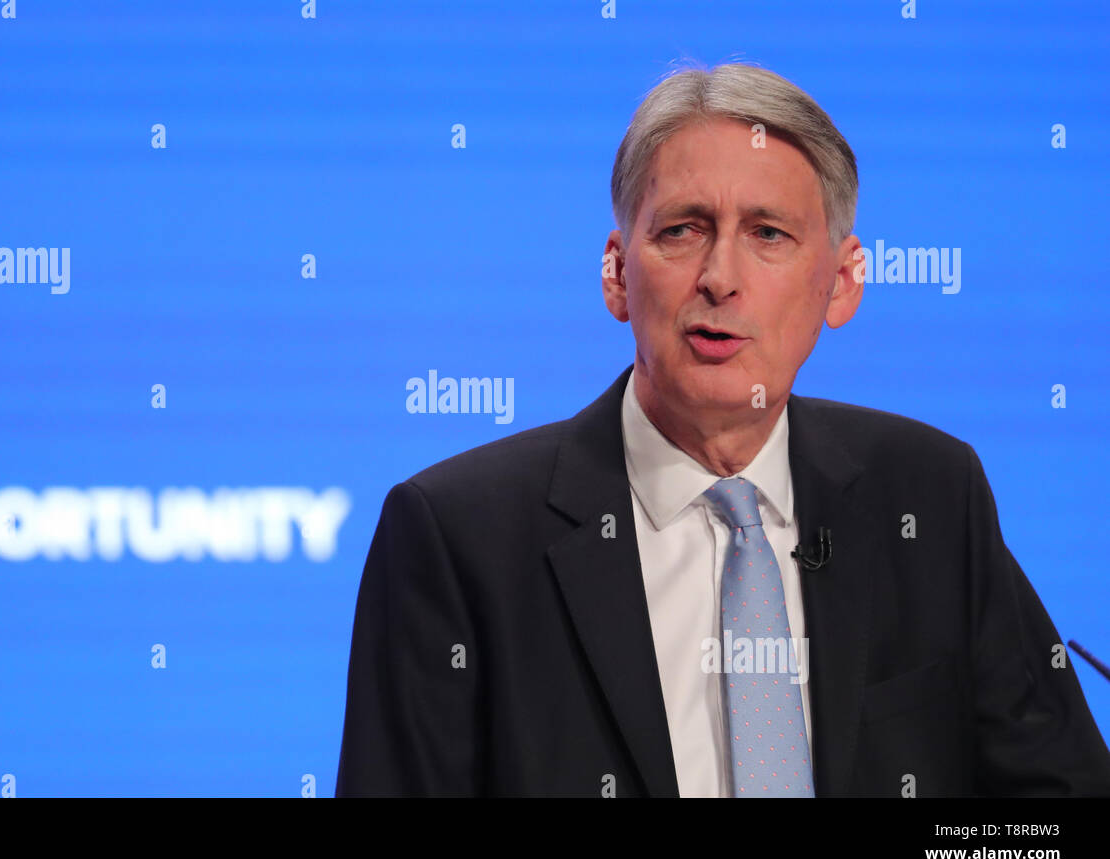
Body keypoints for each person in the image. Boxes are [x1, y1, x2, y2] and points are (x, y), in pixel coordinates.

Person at [335, 62, 1110, 797]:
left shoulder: (931, 496)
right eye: (683, 229)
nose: (719, 277)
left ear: (841, 284)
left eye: (768, 233)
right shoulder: (457, 535)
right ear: (617, 274)